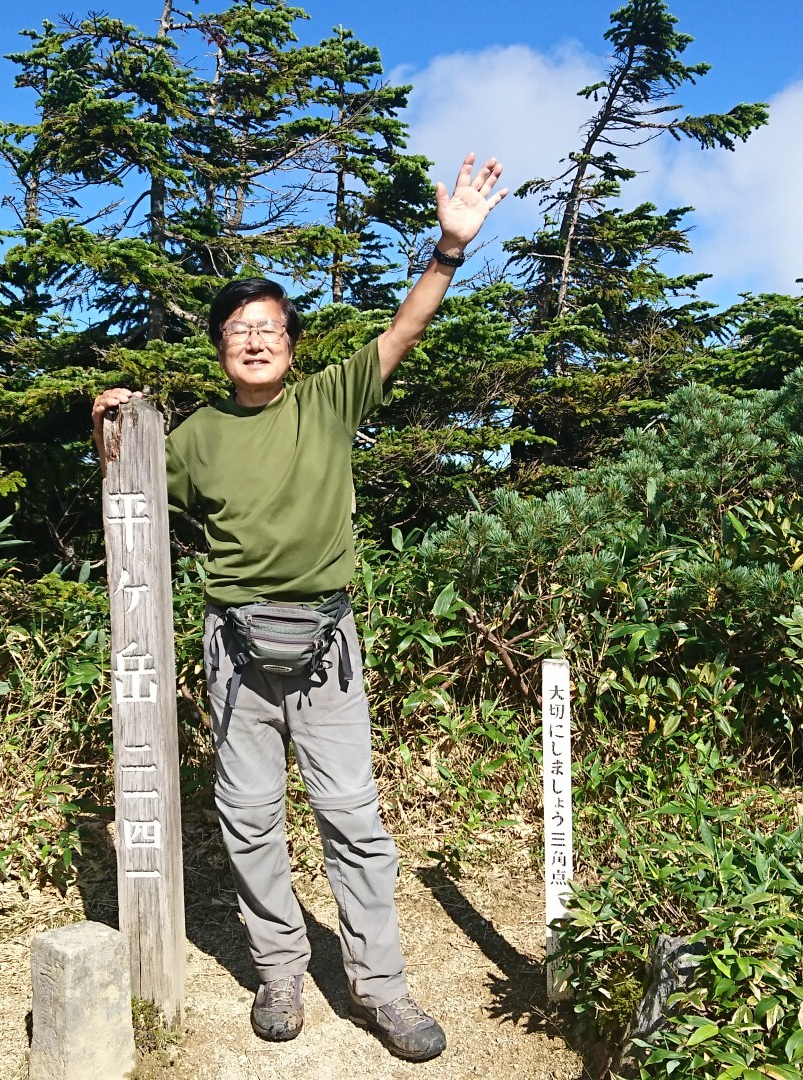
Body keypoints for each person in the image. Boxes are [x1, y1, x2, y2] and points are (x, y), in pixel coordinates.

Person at [92, 153, 506, 1062]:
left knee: (352, 814)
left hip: (328, 642)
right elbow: (130, 509)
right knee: (246, 817)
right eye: (238, 329)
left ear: (292, 343)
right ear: (220, 347)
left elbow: (403, 331)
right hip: (233, 650)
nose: (254, 340)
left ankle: (381, 988)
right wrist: (113, 427)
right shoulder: (191, 435)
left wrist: (447, 249)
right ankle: (280, 968)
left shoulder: (328, 401)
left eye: (268, 327)